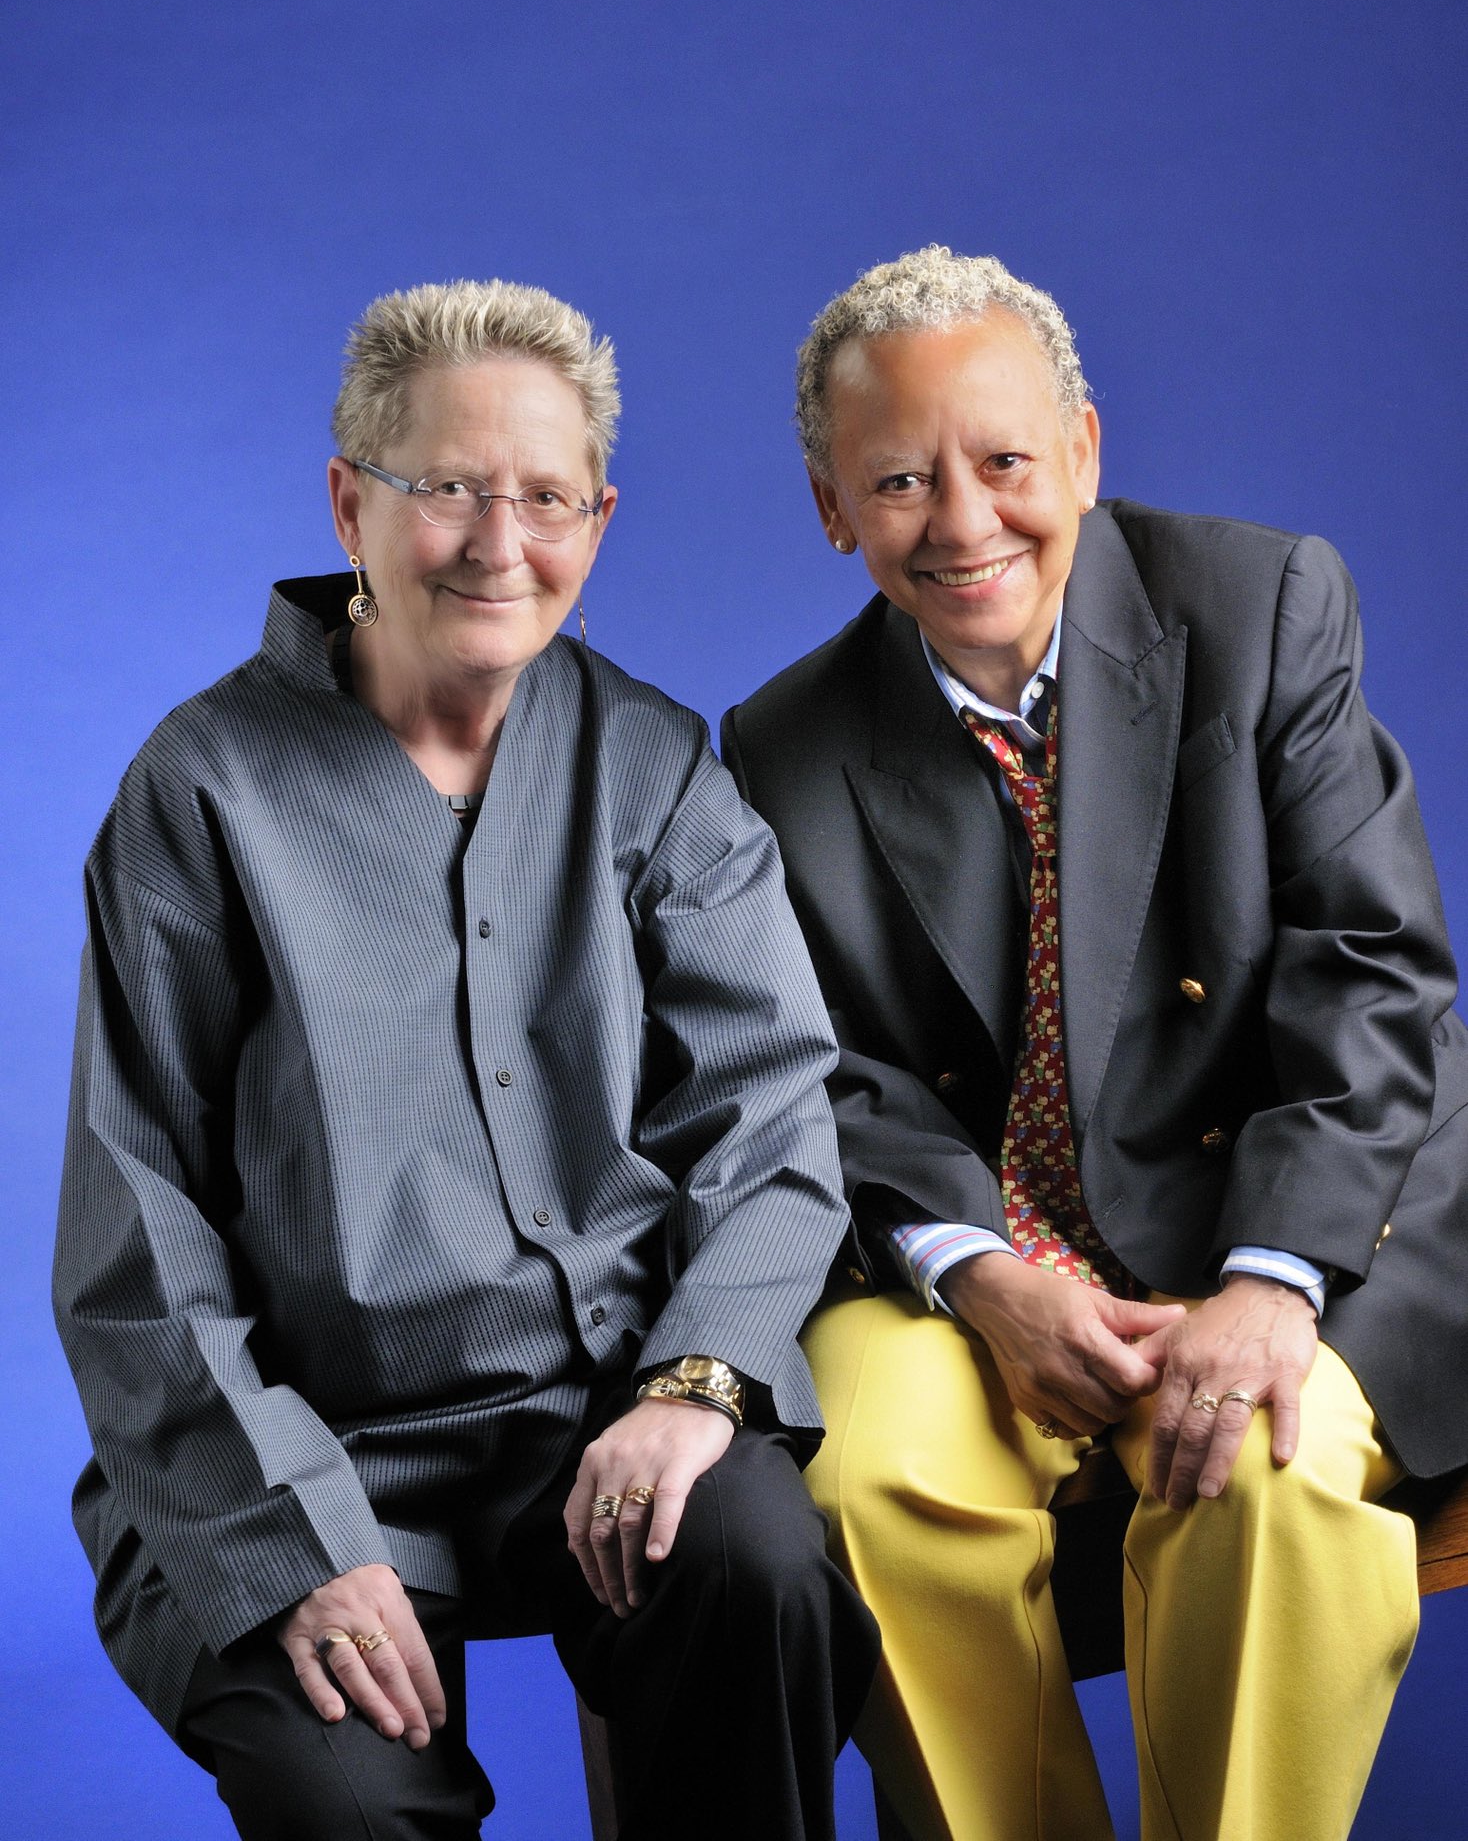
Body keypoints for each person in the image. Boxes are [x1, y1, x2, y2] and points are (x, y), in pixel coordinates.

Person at [54, 278, 878, 1841]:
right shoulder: (199, 791)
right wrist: (289, 1542)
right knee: (350, 1802)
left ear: (602, 516)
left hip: (604, 1409)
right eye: (448, 489)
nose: (503, 541)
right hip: (299, 1444)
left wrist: (695, 1385)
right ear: (351, 501)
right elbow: (135, 1231)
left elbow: (771, 1117)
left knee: (762, 1575)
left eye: (548, 496)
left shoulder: (654, 765)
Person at [721, 245, 1468, 1841]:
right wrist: (981, 1276)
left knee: (1260, 1486)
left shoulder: (1260, 605)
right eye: (901, 479)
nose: (966, 520)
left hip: (1284, 1227)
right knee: (855, 1488)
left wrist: (1275, 1282)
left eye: (1003, 461)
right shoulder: (780, 746)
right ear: (830, 506)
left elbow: (1373, 971)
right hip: (973, 1260)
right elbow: (817, 1073)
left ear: (1085, 451)